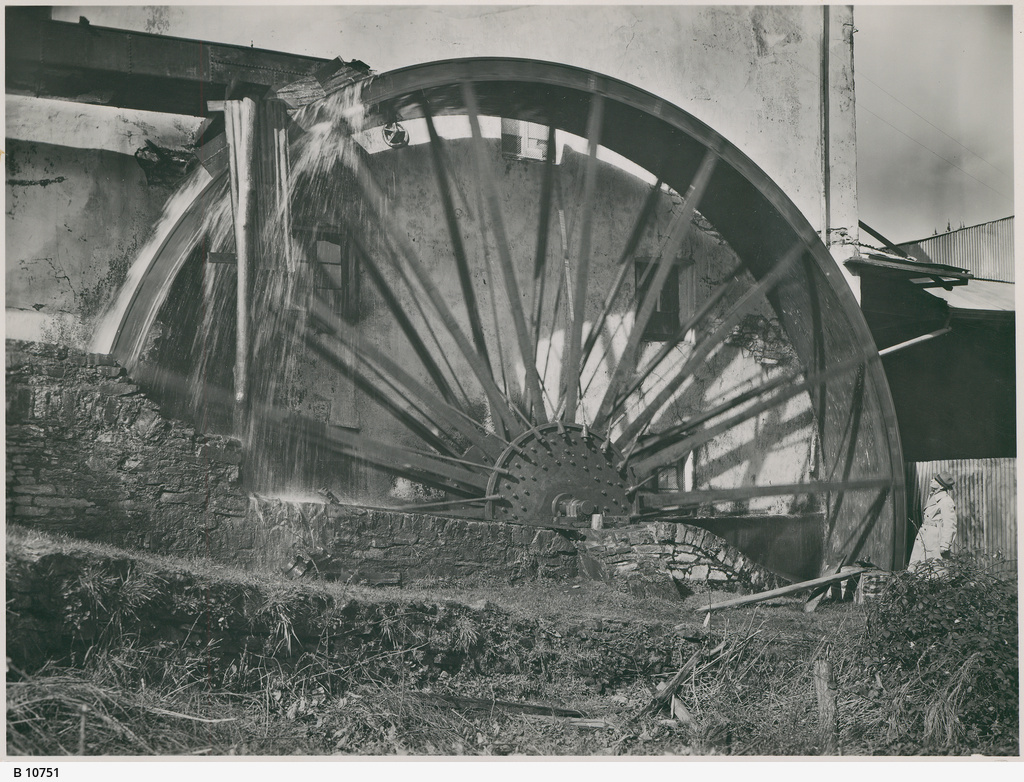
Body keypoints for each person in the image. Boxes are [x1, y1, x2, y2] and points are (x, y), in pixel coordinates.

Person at [908, 471, 958, 568]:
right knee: (918, 565)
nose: (931, 480)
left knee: (934, 568)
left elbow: (950, 524)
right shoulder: (933, 496)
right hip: (925, 535)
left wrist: (945, 545)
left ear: (941, 486)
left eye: (935, 480)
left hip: (934, 539)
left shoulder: (945, 501)